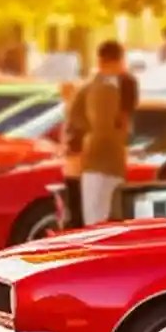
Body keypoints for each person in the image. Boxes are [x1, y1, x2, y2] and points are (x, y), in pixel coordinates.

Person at [79, 41, 137, 225]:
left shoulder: (100, 86)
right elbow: (104, 127)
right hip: (102, 160)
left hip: (104, 161)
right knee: (99, 217)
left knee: (99, 215)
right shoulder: (103, 88)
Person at [60, 80, 86, 229]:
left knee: (76, 209)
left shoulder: (75, 114)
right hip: (73, 168)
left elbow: (72, 141)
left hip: (75, 168)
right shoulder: (70, 111)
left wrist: (66, 148)